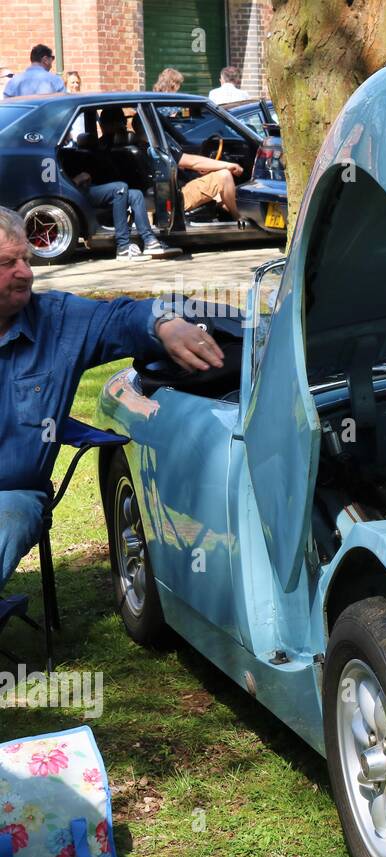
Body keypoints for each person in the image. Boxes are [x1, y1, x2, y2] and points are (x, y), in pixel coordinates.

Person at [0, 205, 221, 593]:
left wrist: (163, 322)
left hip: (11, 497)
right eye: (7, 263)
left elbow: (122, 317)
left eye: (26, 258)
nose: (25, 272)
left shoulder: (56, 321)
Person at [67, 106, 179, 259]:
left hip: (93, 188)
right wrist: (78, 178)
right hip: (78, 190)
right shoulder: (63, 151)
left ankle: (149, 240)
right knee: (120, 187)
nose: (70, 134)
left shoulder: (86, 148)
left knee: (136, 194)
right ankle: (123, 246)